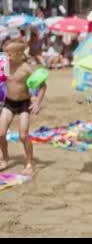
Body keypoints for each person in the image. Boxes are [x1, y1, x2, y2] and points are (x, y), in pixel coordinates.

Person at [0, 40, 47, 175]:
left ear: (19, 54)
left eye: (9, 54)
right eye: (5, 53)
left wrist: (37, 102)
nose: (6, 56)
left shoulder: (27, 69)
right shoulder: (4, 66)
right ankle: (5, 158)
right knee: (1, 133)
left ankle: (29, 163)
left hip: (23, 104)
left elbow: (43, 86)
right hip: (9, 103)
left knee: (23, 135)